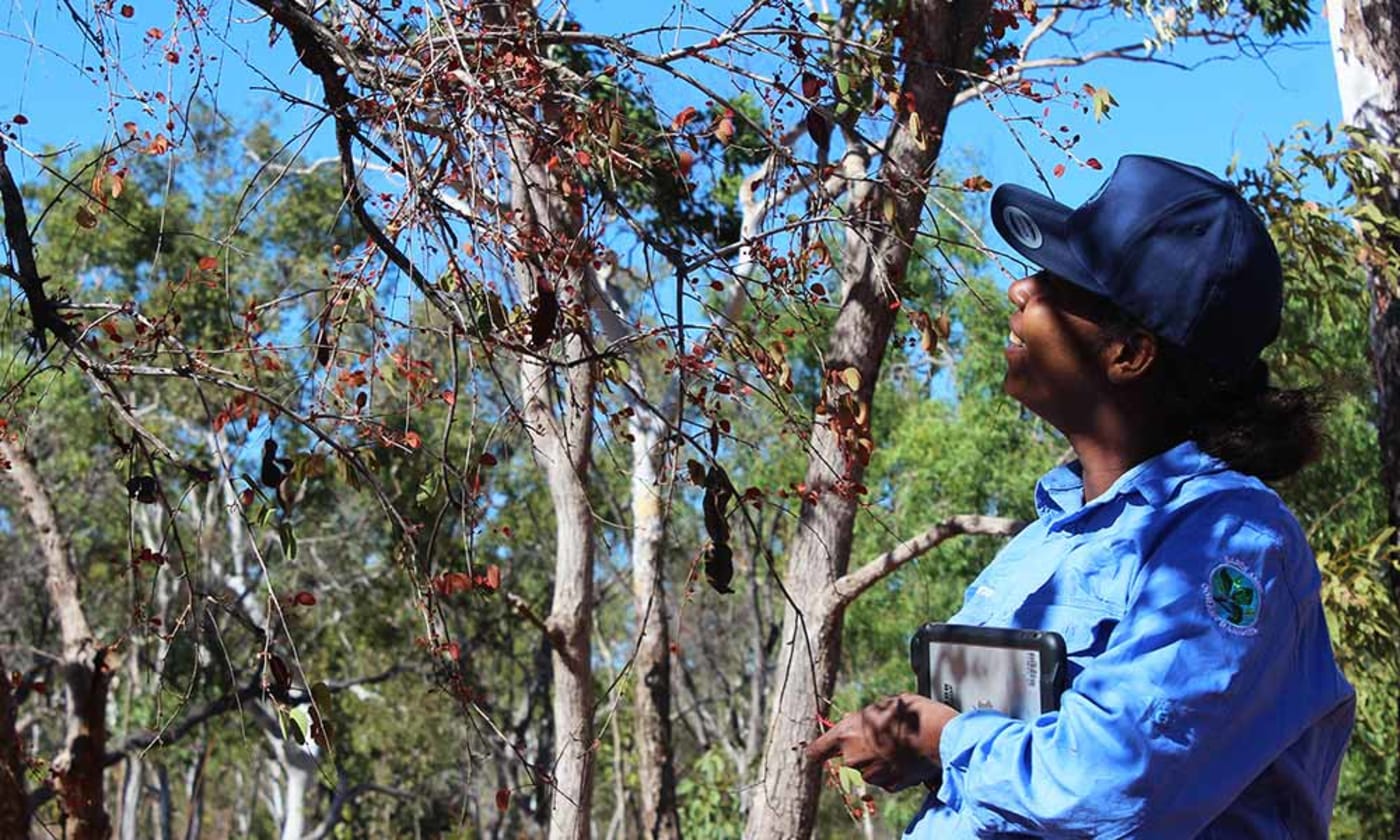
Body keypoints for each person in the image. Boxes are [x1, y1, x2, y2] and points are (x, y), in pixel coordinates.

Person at [805, 155, 1356, 838]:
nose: (1018, 289)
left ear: (1130, 354)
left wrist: (945, 741)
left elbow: (1116, 782)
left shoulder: (1229, 541)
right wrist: (922, 750)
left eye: (1058, 283)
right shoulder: (1044, 543)